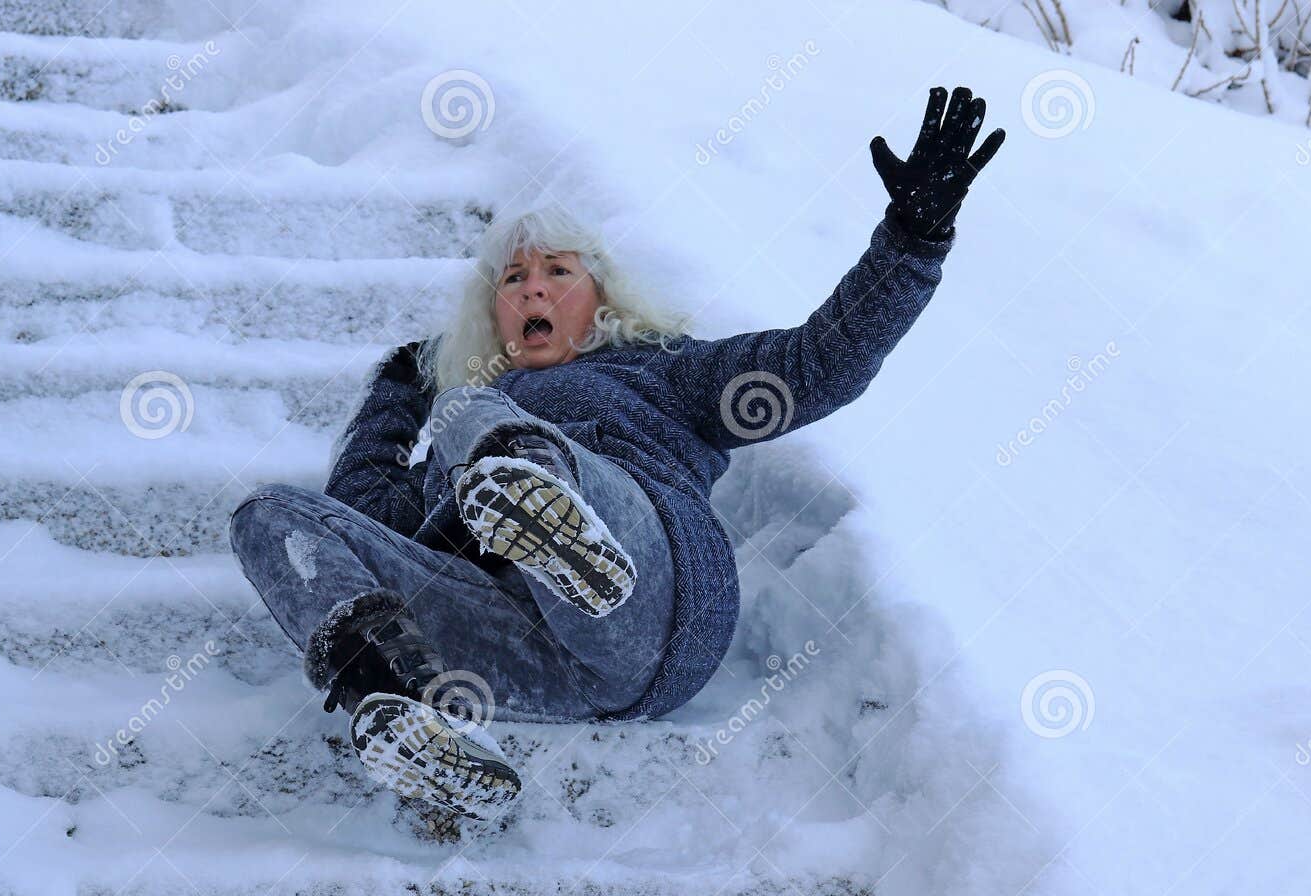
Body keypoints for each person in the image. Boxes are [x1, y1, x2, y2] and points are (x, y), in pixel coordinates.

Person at [230, 85, 1006, 823]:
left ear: (600, 297)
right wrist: (401, 387)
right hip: (528, 650)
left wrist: (913, 239)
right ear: (494, 314)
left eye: (557, 271)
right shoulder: (453, 444)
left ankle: (553, 515)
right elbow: (355, 517)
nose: (533, 289)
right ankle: (408, 701)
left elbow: (816, 365)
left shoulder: (665, 369)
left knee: (475, 412)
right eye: (514, 279)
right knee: (269, 516)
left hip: (655, 600)